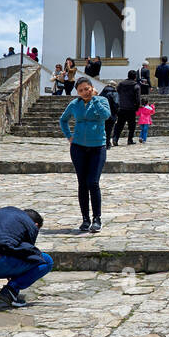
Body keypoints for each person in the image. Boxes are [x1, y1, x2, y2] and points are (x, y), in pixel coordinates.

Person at [59, 77, 111, 233]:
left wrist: (94, 99)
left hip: (97, 147)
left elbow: (106, 115)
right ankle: (85, 219)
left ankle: (97, 219)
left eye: (86, 89)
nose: (84, 92)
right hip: (78, 148)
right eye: (81, 90)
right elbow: (63, 120)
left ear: (92, 88)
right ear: (77, 92)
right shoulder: (74, 104)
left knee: (93, 182)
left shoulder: (101, 100)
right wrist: (69, 136)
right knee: (82, 183)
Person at [113, 70, 141, 145]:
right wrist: (137, 107)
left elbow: (117, 92)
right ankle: (130, 139)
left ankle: (115, 138)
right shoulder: (136, 85)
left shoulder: (121, 84)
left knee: (119, 124)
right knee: (131, 125)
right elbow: (138, 98)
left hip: (121, 107)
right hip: (131, 108)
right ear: (135, 77)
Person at [99, 80, 119, 149]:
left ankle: (102, 143)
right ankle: (107, 143)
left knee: (102, 129)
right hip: (111, 114)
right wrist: (116, 113)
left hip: (102, 114)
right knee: (109, 130)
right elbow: (116, 104)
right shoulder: (114, 93)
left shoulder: (102, 92)